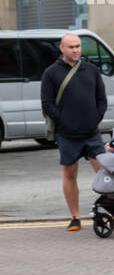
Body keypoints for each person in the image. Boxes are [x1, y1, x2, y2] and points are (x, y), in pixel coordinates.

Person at [41, 33, 106, 231]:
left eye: (78, 46)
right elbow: (47, 104)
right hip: (68, 134)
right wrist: (65, 122)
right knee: (70, 174)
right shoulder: (51, 73)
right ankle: (75, 217)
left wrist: (96, 117)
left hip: (92, 132)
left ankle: (108, 211)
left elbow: (101, 100)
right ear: (62, 49)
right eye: (71, 47)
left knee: (106, 173)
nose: (75, 50)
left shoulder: (91, 70)